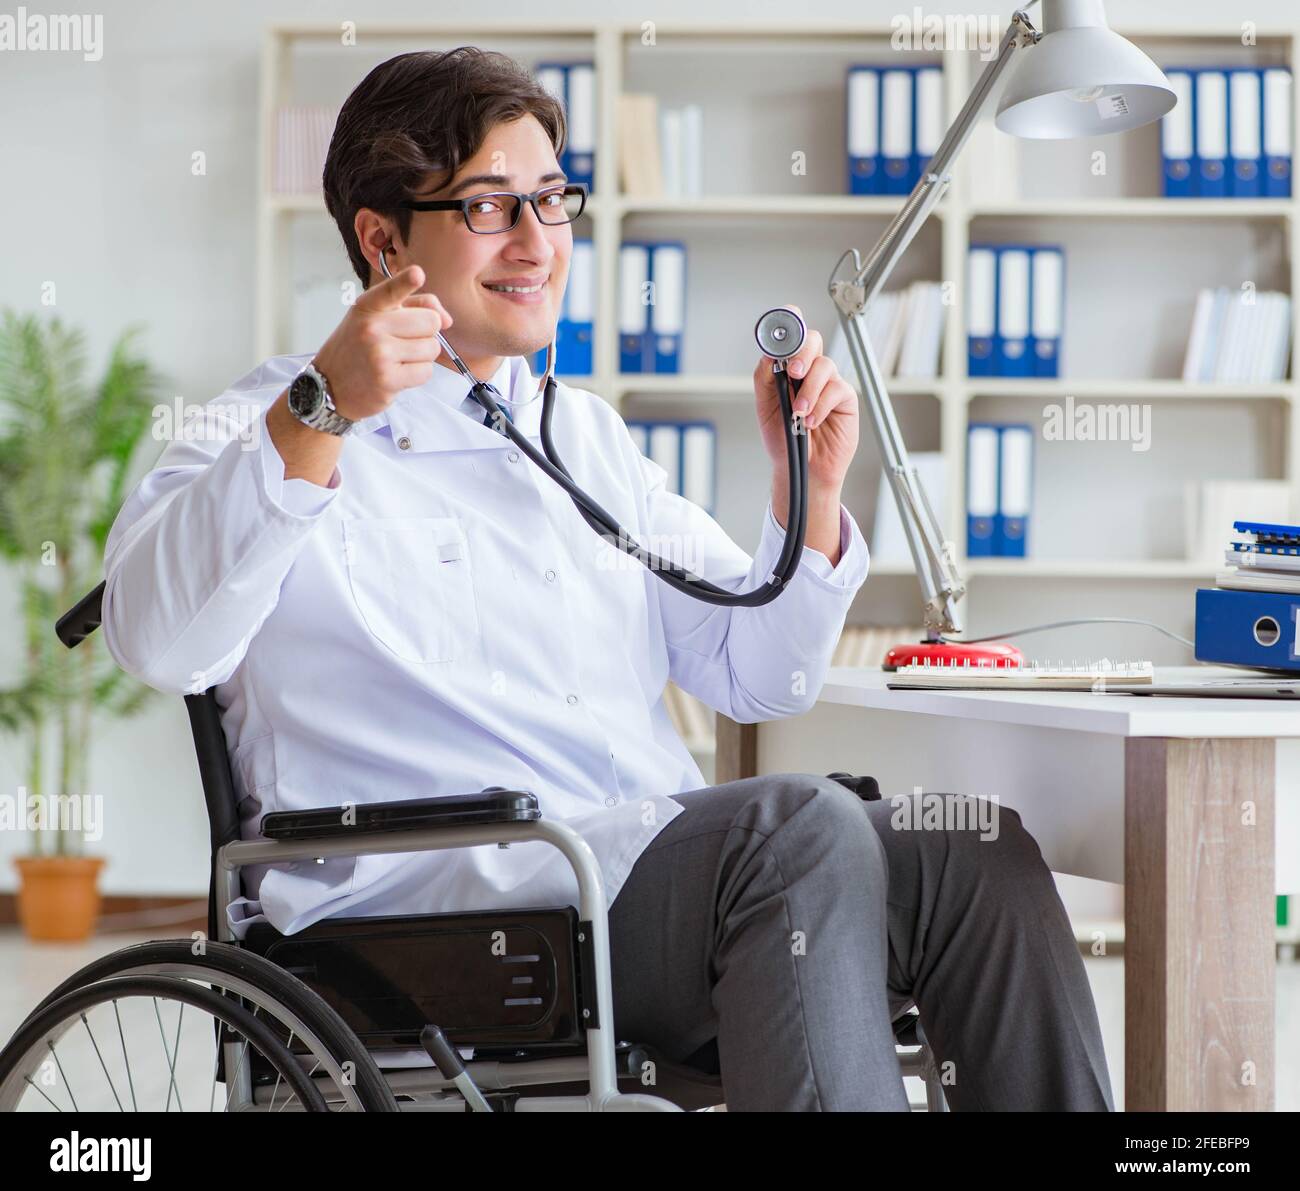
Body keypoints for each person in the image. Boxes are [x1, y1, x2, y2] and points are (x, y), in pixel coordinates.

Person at [102, 46, 1113, 1111]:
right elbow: (158, 642)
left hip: (630, 880)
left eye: (553, 200)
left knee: (973, 853)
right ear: (381, 235)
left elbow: (758, 675)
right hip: (439, 914)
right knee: (797, 829)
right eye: (492, 208)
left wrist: (805, 492)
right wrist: (323, 410)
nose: (539, 243)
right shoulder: (260, 421)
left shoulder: (580, 435)